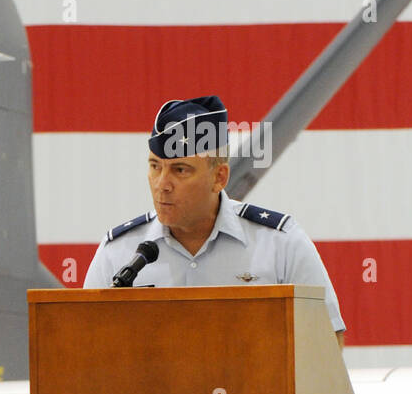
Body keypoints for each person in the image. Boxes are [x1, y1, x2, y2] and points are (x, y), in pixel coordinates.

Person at [83, 96, 346, 347]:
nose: (162, 185)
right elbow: (84, 348)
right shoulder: (118, 253)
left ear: (219, 177)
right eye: (155, 166)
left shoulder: (280, 244)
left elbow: (326, 342)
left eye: (180, 170)